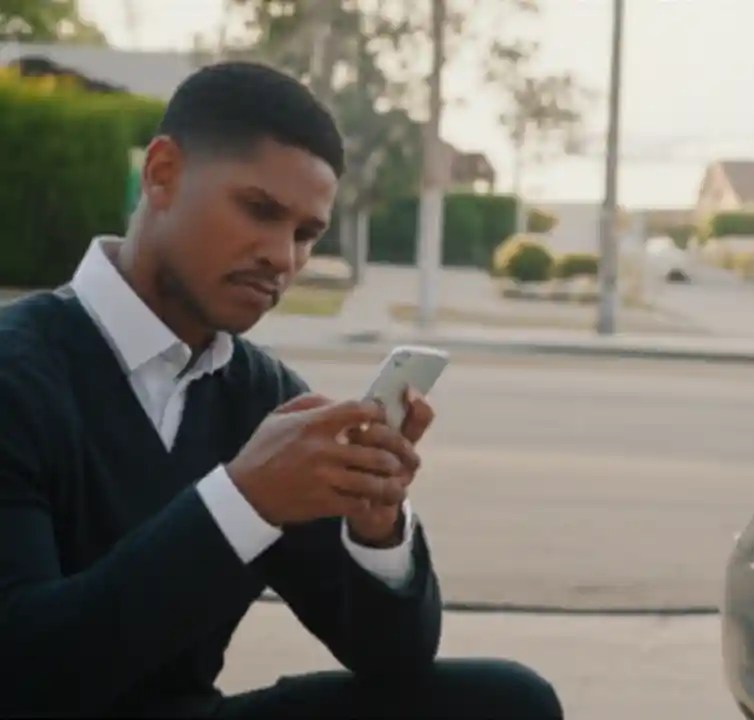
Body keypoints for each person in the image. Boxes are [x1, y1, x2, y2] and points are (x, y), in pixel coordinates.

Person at [0, 61, 562, 718]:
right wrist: (242, 502)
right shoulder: (16, 371)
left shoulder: (260, 397)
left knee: (507, 703)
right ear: (162, 173)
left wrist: (377, 530)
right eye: (259, 210)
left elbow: (393, 663)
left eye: (305, 234)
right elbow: (24, 676)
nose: (283, 257)